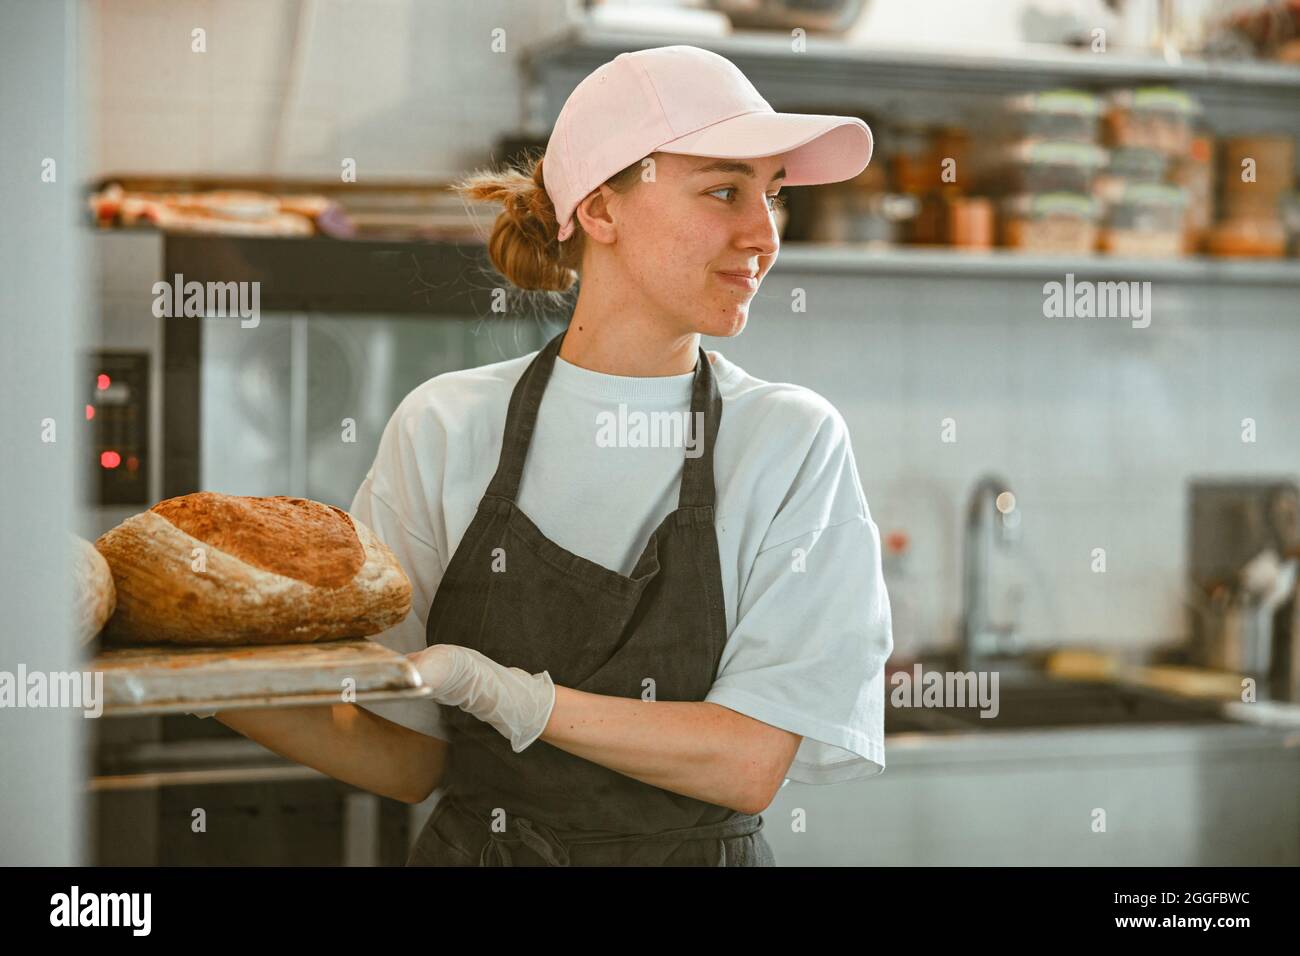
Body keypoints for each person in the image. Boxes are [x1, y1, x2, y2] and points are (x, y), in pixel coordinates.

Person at [217, 44, 893, 867]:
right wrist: (201, 677)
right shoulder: (446, 425)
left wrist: (513, 698)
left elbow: (747, 763)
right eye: (725, 190)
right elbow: (409, 756)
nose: (764, 235)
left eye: (773, 195)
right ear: (602, 212)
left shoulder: (787, 440)